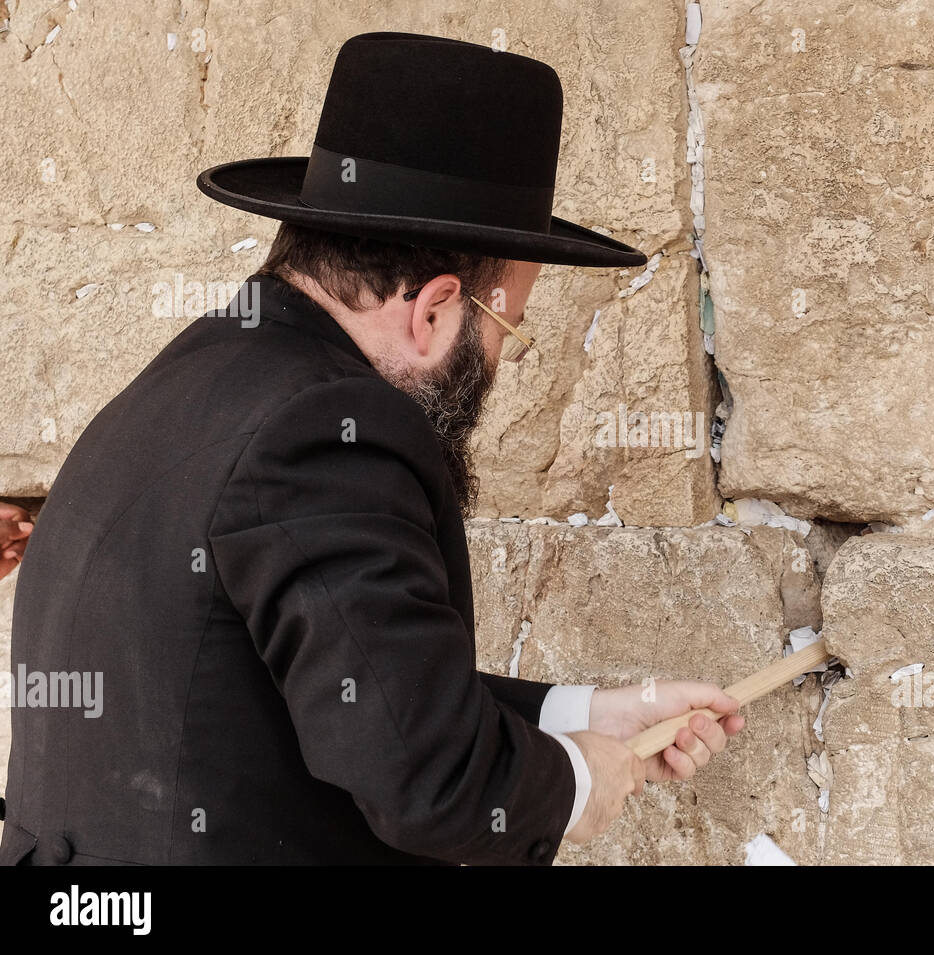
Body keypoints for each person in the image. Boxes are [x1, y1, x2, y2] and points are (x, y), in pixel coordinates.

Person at [0, 32, 742, 866]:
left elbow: (347, 692)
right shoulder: (325, 430)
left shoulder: (202, 375)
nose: (501, 361)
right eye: (508, 330)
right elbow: (425, 777)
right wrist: (575, 781)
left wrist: (580, 714)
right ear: (433, 311)